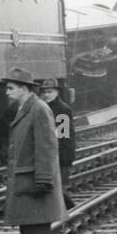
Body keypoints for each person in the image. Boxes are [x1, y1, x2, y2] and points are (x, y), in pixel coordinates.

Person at [2, 67, 66, 234]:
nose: (6, 92)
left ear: (24, 89)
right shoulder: (27, 108)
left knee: (36, 231)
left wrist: (44, 180)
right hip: (27, 181)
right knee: (30, 230)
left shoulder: (39, 109)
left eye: (11, 88)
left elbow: (46, 147)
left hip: (34, 182)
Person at [39, 77, 75, 210]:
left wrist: (62, 157)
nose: (47, 95)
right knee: (55, 188)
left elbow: (63, 135)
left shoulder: (62, 109)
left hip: (62, 155)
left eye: (50, 92)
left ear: (57, 92)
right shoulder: (43, 108)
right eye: (45, 92)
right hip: (50, 154)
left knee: (59, 188)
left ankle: (69, 211)